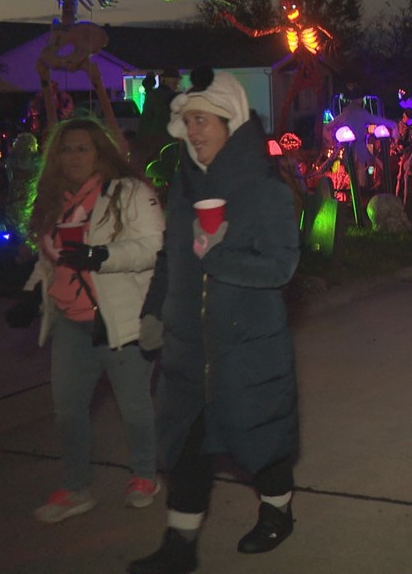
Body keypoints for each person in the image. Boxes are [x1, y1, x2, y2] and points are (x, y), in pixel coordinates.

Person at [128, 67, 301, 574]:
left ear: (233, 121)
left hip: (247, 350)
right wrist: (154, 311)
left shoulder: (266, 191)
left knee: (259, 441)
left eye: (203, 119)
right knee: (187, 446)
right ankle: (180, 545)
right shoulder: (183, 190)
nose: (194, 131)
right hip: (187, 350)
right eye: (187, 121)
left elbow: (282, 267)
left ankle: (278, 510)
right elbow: (167, 259)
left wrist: (219, 257)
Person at [6, 117, 164, 523]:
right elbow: (50, 259)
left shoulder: (128, 193)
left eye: (82, 148)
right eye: (66, 148)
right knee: (68, 410)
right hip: (70, 323)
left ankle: (145, 474)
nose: (73, 156)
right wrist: (30, 293)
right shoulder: (53, 199)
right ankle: (75, 487)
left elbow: (152, 248)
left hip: (120, 320)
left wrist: (103, 257)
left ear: (101, 152)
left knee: (134, 407)